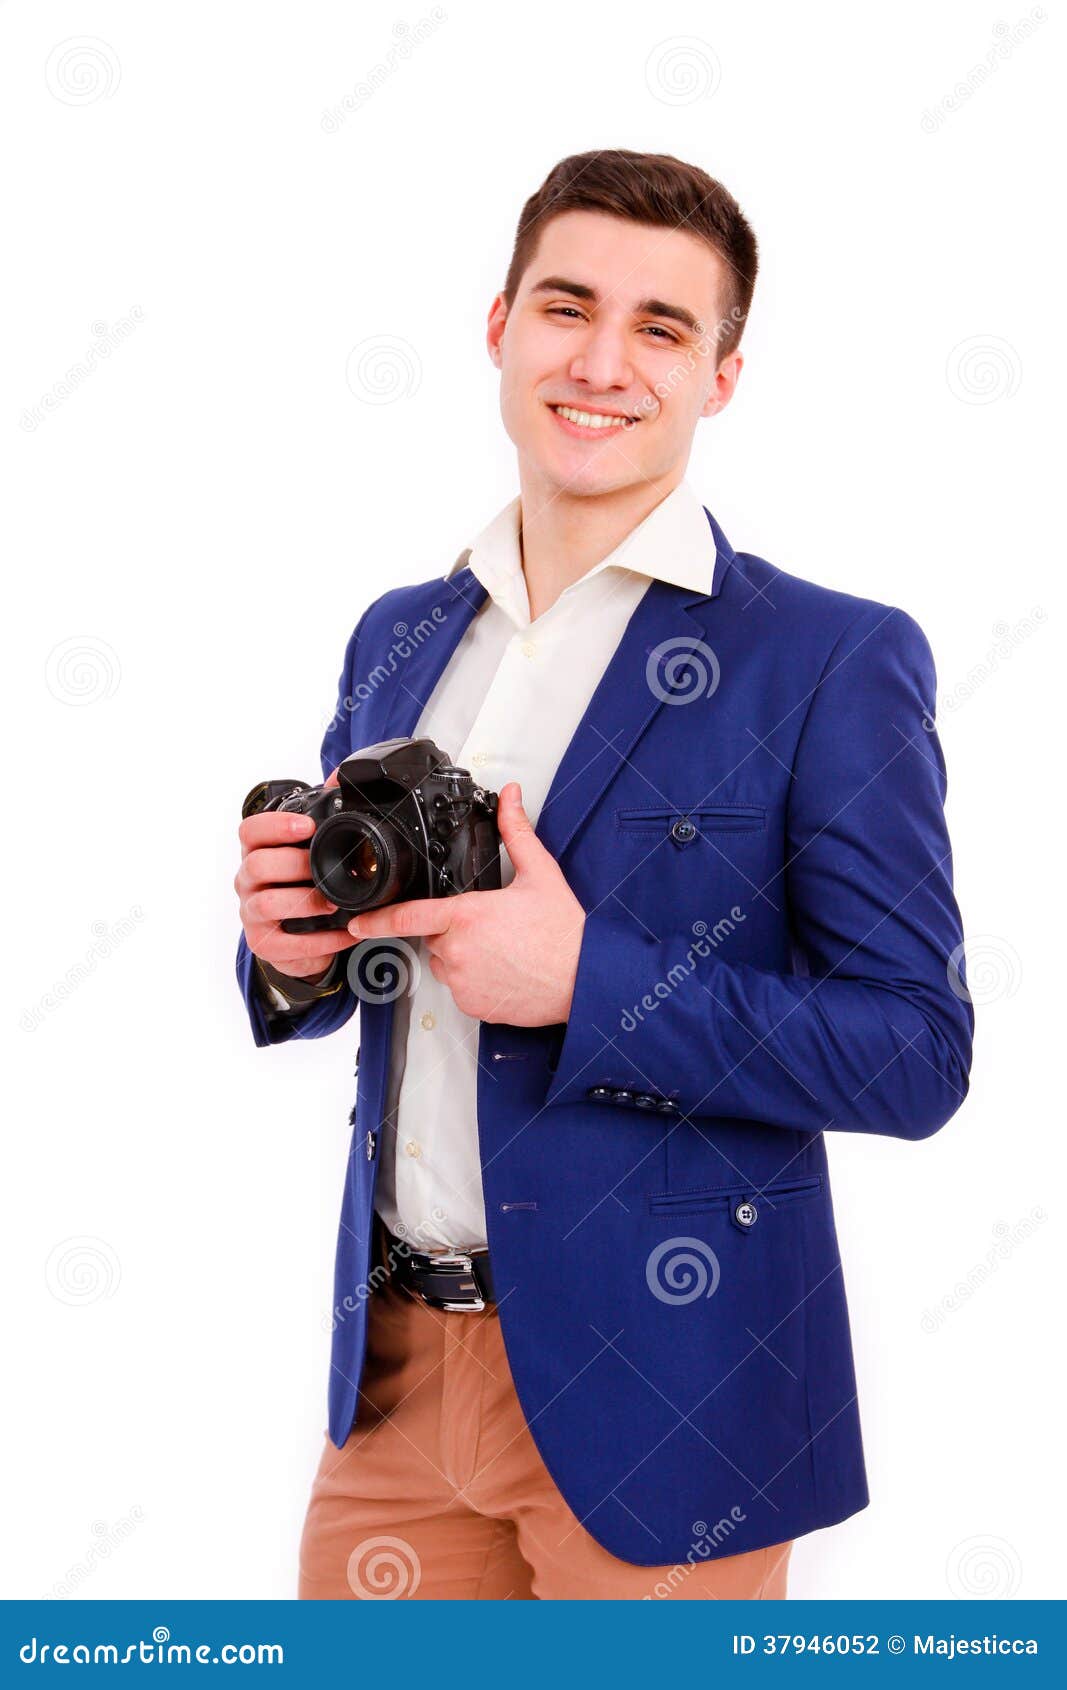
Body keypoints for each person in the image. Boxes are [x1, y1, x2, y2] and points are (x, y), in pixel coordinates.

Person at [234, 149, 973, 1600]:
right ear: (499, 324)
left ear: (723, 376)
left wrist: (588, 983)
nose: (602, 360)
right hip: (387, 1389)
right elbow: (365, 963)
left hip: (669, 1403)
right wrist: (291, 946)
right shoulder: (400, 632)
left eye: (661, 326)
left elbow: (917, 1051)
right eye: (567, 306)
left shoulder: (826, 658)